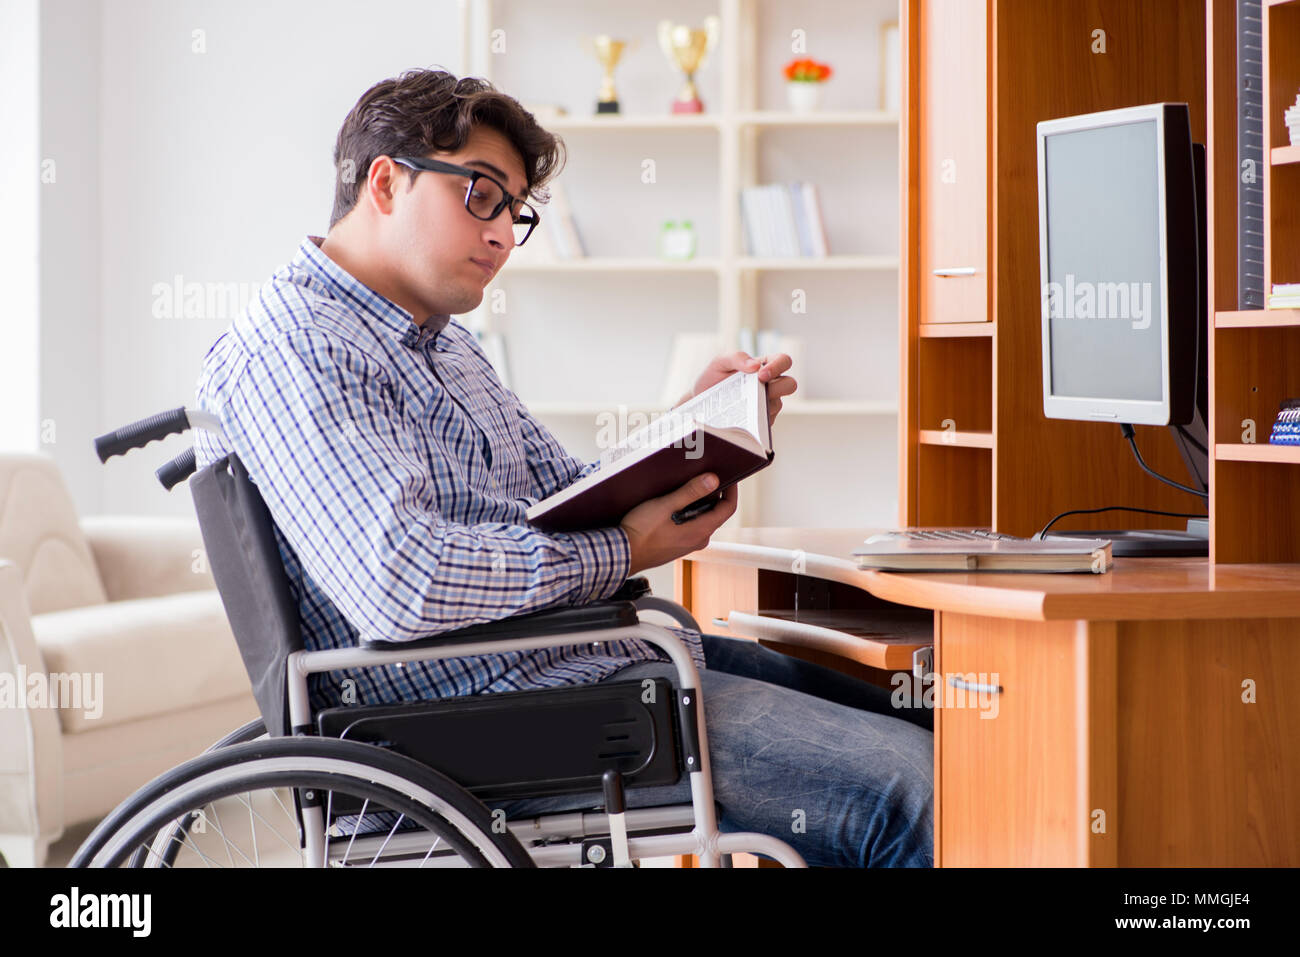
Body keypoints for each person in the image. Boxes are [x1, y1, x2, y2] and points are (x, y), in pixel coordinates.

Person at [194, 68, 933, 867]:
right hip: (485, 722)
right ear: (385, 182)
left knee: (930, 719)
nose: (501, 234)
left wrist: (688, 430)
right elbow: (403, 581)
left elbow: (562, 491)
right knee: (917, 792)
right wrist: (625, 550)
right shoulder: (295, 348)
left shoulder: (442, 345)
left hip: (583, 672)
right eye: (481, 194)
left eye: (514, 211)